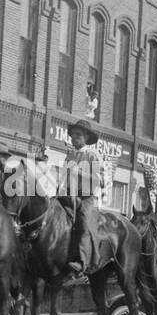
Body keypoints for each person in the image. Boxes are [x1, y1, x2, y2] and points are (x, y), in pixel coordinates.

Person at [59, 118, 110, 277]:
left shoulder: (93, 155)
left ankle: (83, 261)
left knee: (84, 223)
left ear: (86, 138)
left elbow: (101, 180)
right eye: (73, 134)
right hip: (69, 195)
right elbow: (64, 178)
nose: (74, 138)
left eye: (78, 135)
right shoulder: (70, 156)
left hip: (88, 197)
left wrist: (79, 172)